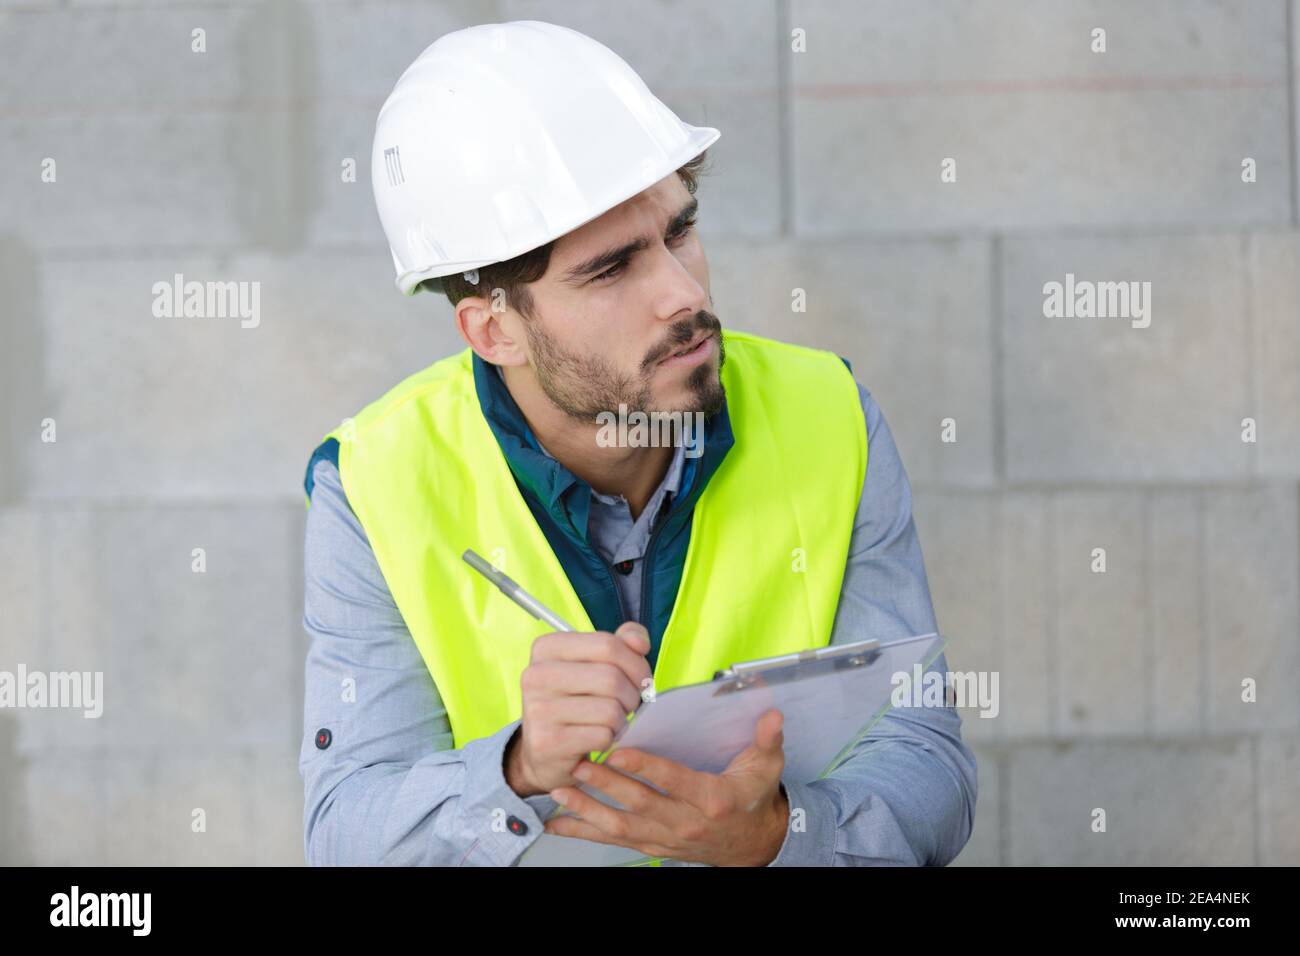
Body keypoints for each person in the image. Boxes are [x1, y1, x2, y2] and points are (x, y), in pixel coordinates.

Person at [299, 19, 976, 866]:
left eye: (679, 232)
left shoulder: (830, 416)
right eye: (613, 268)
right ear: (492, 330)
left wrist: (778, 835)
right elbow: (344, 833)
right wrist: (515, 770)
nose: (682, 292)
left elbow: (928, 765)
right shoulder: (376, 484)